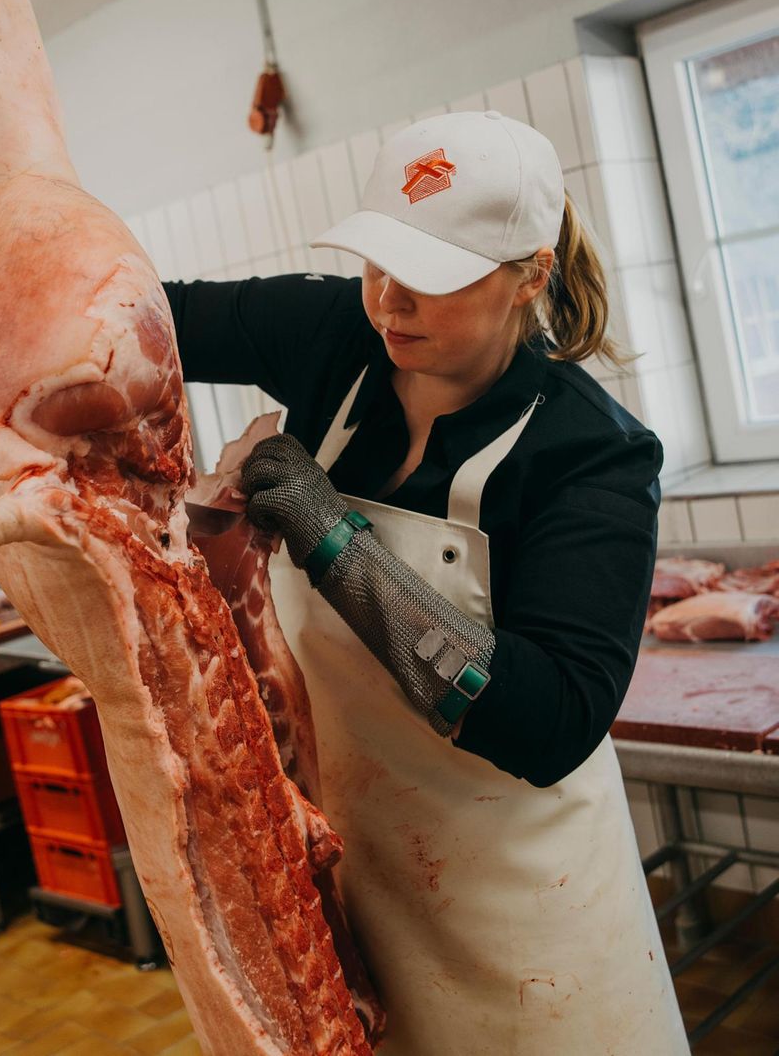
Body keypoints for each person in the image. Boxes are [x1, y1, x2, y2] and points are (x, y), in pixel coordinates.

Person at [165, 111, 689, 1054]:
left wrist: (334, 539)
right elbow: (148, 316)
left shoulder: (592, 451)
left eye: (432, 276)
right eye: (377, 260)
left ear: (531, 275)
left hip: (528, 908)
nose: (388, 300)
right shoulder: (337, 330)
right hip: (361, 868)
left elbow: (551, 719)